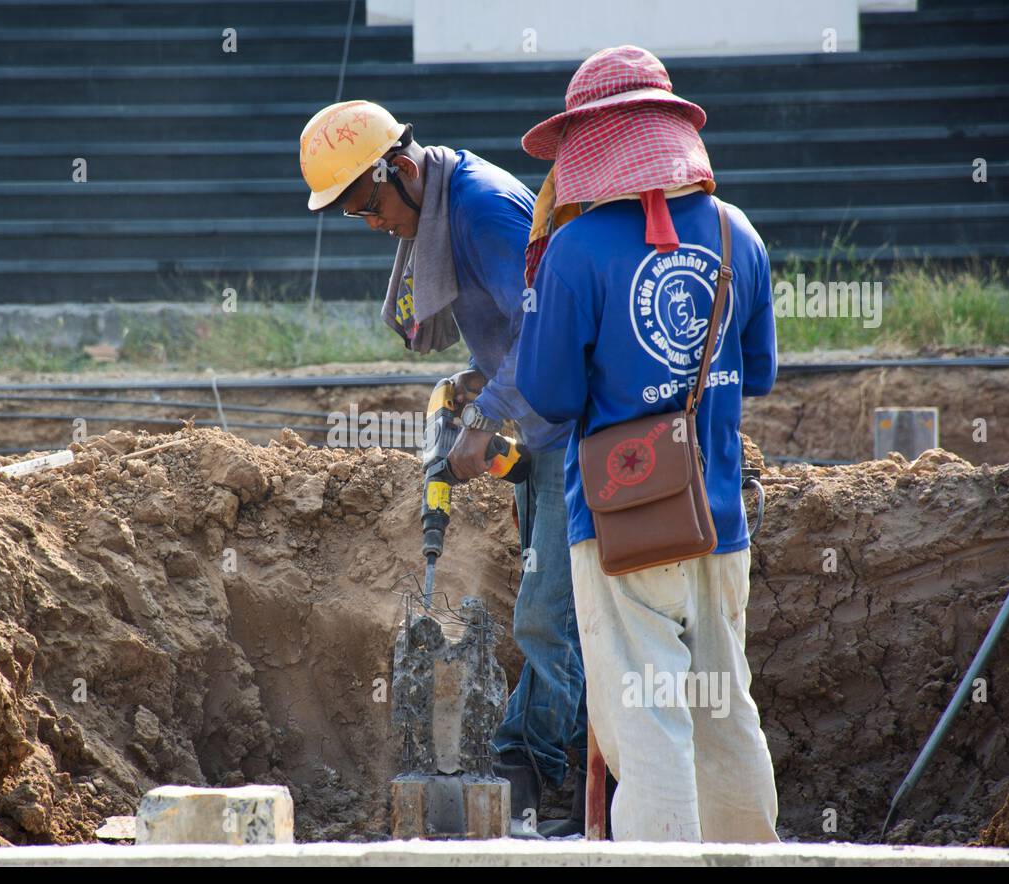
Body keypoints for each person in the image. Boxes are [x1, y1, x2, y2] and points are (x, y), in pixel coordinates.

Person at [298, 100, 588, 835]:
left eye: (366, 202)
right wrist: (474, 380)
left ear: (397, 169)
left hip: (571, 428)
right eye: (351, 214)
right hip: (539, 423)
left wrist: (487, 416)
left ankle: (521, 786)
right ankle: (566, 775)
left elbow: (545, 333)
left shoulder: (482, 209)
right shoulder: (439, 205)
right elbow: (496, 327)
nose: (369, 223)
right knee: (555, 604)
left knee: (549, 618)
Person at [516, 47, 781, 842]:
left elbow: (552, 396)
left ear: (588, 146)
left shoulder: (576, 252)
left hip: (622, 521)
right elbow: (758, 374)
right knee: (722, 704)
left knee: (647, 716)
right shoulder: (739, 234)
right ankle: (748, 858)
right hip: (719, 521)